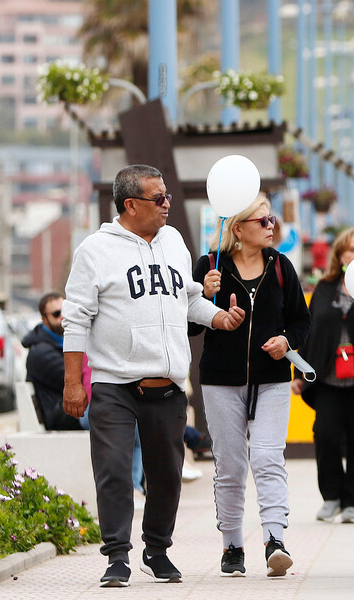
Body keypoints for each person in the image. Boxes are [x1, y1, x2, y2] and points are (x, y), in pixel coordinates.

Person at [62, 164, 245, 588]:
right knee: (113, 470)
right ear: (131, 204)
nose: (167, 205)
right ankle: (117, 556)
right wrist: (74, 383)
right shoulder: (95, 250)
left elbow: (190, 302)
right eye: (158, 198)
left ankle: (156, 550)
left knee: (167, 473)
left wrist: (219, 318)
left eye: (168, 197)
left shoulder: (175, 242)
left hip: (166, 386)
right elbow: (75, 321)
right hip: (114, 384)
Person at [189, 195, 310, 577]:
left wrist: (287, 342)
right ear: (238, 229)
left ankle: (275, 540)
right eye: (263, 220)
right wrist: (206, 295)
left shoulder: (281, 267)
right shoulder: (209, 267)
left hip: (272, 380)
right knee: (230, 466)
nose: (271, 225)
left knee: (267, 459)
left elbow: (302, 322)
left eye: (271, 218)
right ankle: (232, 546)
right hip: (220, 381)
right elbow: (188, 325)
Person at [291, 227, 354, 524]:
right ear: (340, 254)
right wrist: (301, 373)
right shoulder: (324, 287)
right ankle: (331, 496)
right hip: (328, 378)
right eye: (351, 249)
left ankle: (353, 502)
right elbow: (310, 332)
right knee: (325, 435)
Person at [22, 292, 82, 430]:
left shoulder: (64, 342)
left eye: (65, 311)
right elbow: (74, 379)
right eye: (56, 314)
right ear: (44, 319)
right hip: (59, 414)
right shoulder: (40, 353)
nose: (62, 316)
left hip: (71, 409)